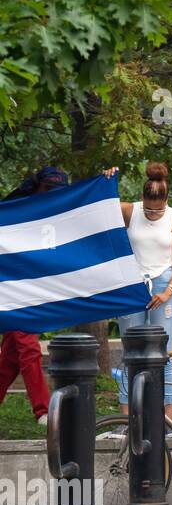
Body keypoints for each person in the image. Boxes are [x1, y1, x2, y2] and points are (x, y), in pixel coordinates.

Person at [113, 163, 172, 421]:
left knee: (164, 353)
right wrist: (108, 178)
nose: (153, 214)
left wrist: (168, 291)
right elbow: (100, 209)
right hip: (133, 284)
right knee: (130, 351)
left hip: (163, 282)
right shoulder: (130, 211)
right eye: (148, 209)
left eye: (158, 210)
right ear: (142, 198)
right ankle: (126, 417)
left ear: (166, 200)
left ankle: (167, 417)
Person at [0, 166, 70, 426]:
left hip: (32, 287)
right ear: (37, 186)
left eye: (56, 191)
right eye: (48, 189)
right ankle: (43, 411)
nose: (51, 195)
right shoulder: (15, 206)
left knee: (9, 358)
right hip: (11, 288)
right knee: (29, 347)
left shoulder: (57, 212)